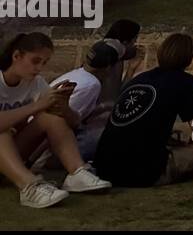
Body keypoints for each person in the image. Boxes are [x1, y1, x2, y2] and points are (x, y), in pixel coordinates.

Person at [93, 33, 193, 187]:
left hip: (105, 167)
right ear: (189, 58)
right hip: (144, 172)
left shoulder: (139, 79)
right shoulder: (185, 81)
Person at [0, 33, 112, 208]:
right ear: (16, 56)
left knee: (51, 116)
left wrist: (64, 107)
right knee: (2, 131)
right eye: (35, 61)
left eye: (44, 62)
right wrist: (37, 106)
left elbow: (75, 123)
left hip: (11, 156)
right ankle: (29, 186)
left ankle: (77, 172)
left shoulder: (35, 83)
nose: (39, 68)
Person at [45, 41, 122, 159]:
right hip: (49, 141)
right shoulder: (92, 84)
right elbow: (68, 121)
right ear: (108, 67)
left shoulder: (78, 74)